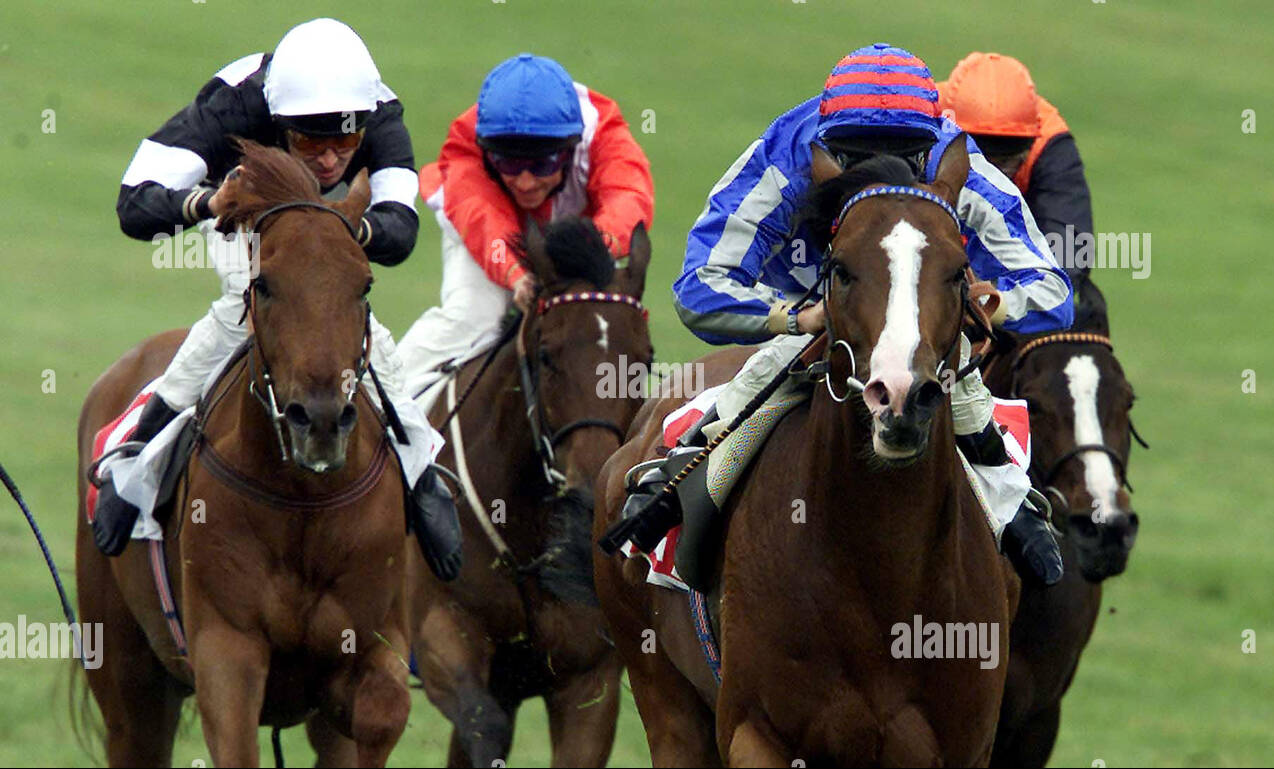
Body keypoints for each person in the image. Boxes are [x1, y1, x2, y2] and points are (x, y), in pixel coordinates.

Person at [636, 44, 1071, 585]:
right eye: (854, 154)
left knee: (953, 380)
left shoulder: (958, 162)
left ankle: (1013, 506)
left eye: (897, 154)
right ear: (823, 140)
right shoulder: (785, 156)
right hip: (814, 316)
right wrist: (797, 319)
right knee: (771, 367)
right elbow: (698, 289)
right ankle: (684, 471)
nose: (873, 171)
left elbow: (1053, 291)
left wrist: (993, 302)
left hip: (921, 319)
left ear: (929, 143)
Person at [95, 18, 460, 579]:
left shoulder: (380, 112)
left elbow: (401, 230)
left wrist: (343, 234)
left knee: (343, 313)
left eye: (346, 140)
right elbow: (133, 204)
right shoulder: (233, 106)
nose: (332, 159)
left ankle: (418, 473)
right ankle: (139, 456)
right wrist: (206, 203)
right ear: (279, 121)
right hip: (241, 210)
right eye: (312, 140)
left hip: (333, 226)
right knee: (247, 307)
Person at [395, 53, 654, 404]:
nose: (526, 182)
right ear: (487, 151)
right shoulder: (466, 144)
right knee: (474, 317)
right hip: (489, 238)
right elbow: (483, 219)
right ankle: (387, 402)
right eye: (508, 163)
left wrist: (585, 257)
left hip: (579, 235)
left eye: (542, 163)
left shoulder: (603, 131)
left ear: (571, 147)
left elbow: (628, 199)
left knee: (606, 324)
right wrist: (516, 274)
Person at [938, 51, 1094, 288]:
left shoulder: (1050, 146)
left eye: (1005, 164)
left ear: (1031, 143)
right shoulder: (920, 119)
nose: (992, 177)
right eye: (979, 161)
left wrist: (1000, 301)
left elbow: (1069, 254)